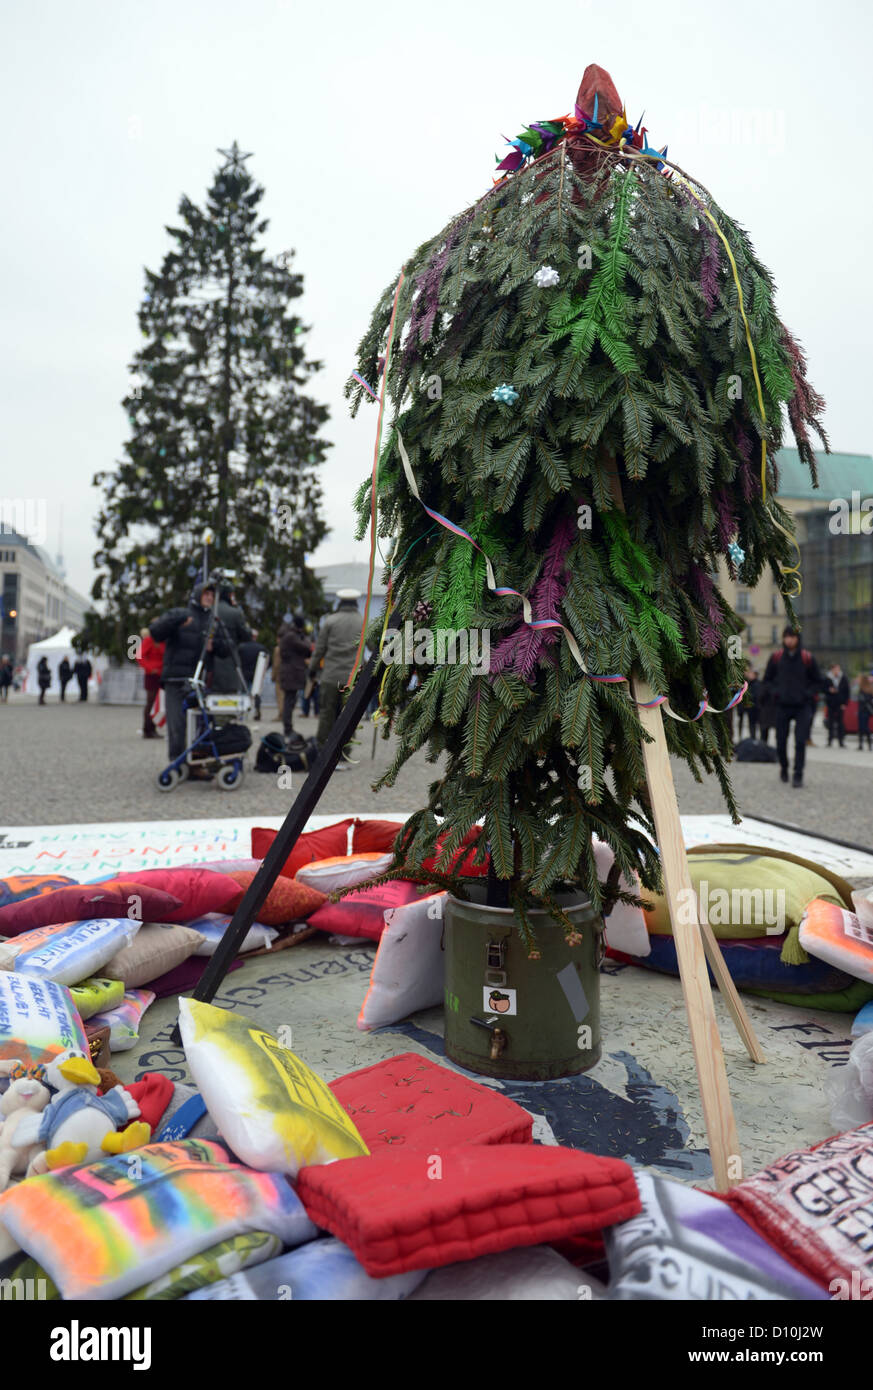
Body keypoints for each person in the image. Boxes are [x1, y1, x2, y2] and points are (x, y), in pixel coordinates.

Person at [149, 581, 228, 770]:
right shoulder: (181, 613)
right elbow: (156, 632)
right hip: (176, 679)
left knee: (201, 726)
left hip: (199, 682)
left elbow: (226, 649)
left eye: (212, 595)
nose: (209, 598)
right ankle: (177, 763)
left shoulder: (214, 621)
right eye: (206, 594)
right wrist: (177, 621)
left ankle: (196, 764)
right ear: (198, 594)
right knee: (177, 725)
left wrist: (214, 646)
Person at [761, 626, 824, 788]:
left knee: (800, 741)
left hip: (802, 706)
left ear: (797, 639)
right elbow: (767, 680)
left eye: (792, 637)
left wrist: (808, 694)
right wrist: (775, 692)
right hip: (782, 705)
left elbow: (818, 681)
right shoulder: (776, 657)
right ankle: (784, 767)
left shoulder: (807, 658)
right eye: (786, 637)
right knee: (781, 741)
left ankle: (798, 774)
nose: (789, 640)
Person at [308, 590, 363, 763]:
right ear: (356, 604)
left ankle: (322, 750)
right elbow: (373, 645)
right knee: (348, 715)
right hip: (352, 678)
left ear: (339, 603)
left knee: (326, 714)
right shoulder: (363, 622)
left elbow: (320, 649)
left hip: (330, 676)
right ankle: (344, 752)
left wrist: (312, 669)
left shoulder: (330, 621)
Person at [210, 585, 252, 693]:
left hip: (211, 663)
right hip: (231, 661)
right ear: (230, 595)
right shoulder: (235, 613)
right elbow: (247, 636)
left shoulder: (210, 610)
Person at [279, 616, 312, 740]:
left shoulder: (290, 635)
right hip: (291, 673)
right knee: (289, 701)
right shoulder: (292, 636)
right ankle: (287, 729)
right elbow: (307, 647)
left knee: (290, 700)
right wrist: (306, 638)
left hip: (291, 673)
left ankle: (288, 727)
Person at [136, 628, 165, 739]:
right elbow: (139, 656)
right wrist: (150, 668)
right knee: (151, 701)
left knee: (158, 703)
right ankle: (148, 729)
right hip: (152, 674)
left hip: (162, 674)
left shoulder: (164, 640)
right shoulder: (150, 640)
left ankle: (153, 728)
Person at [237, 630, 269, 721]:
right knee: (257, 694)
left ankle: (242, 712)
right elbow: (266, 661)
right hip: (256, 674)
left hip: (244, 673)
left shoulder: (241, 647)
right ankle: (257, 710)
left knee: (243, 693)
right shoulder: (261, 648)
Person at [824, 663, 850, 748]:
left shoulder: (843, 678)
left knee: (840, 723)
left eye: (838, 669)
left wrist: (845, 703)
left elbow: (847, 692)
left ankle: (841, 742)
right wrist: (829, 690)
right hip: (831, 704)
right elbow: (823, 689)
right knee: (830, 723)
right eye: (835, 669)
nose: (836, 671)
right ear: (832, 669)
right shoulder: (828, 678)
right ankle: (829, 741)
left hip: (840, 704)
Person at [737, 667, 760, 741]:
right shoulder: (743, 681)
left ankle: (753, 738)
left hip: (752, 707)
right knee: (740, 721)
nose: (748, 674)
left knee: (752, 723)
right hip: (742, 705)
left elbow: (756, 695)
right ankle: (739, 737)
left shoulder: (756, 683)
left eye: (750, 673)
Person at [858, 673, 873, 752]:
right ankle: (861, 745)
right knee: (861, 728)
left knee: (865, 727)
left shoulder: (868, 689)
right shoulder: (863, 688)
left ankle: (869, 744)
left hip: (865, 711)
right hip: (862, 711)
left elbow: (866, 701)